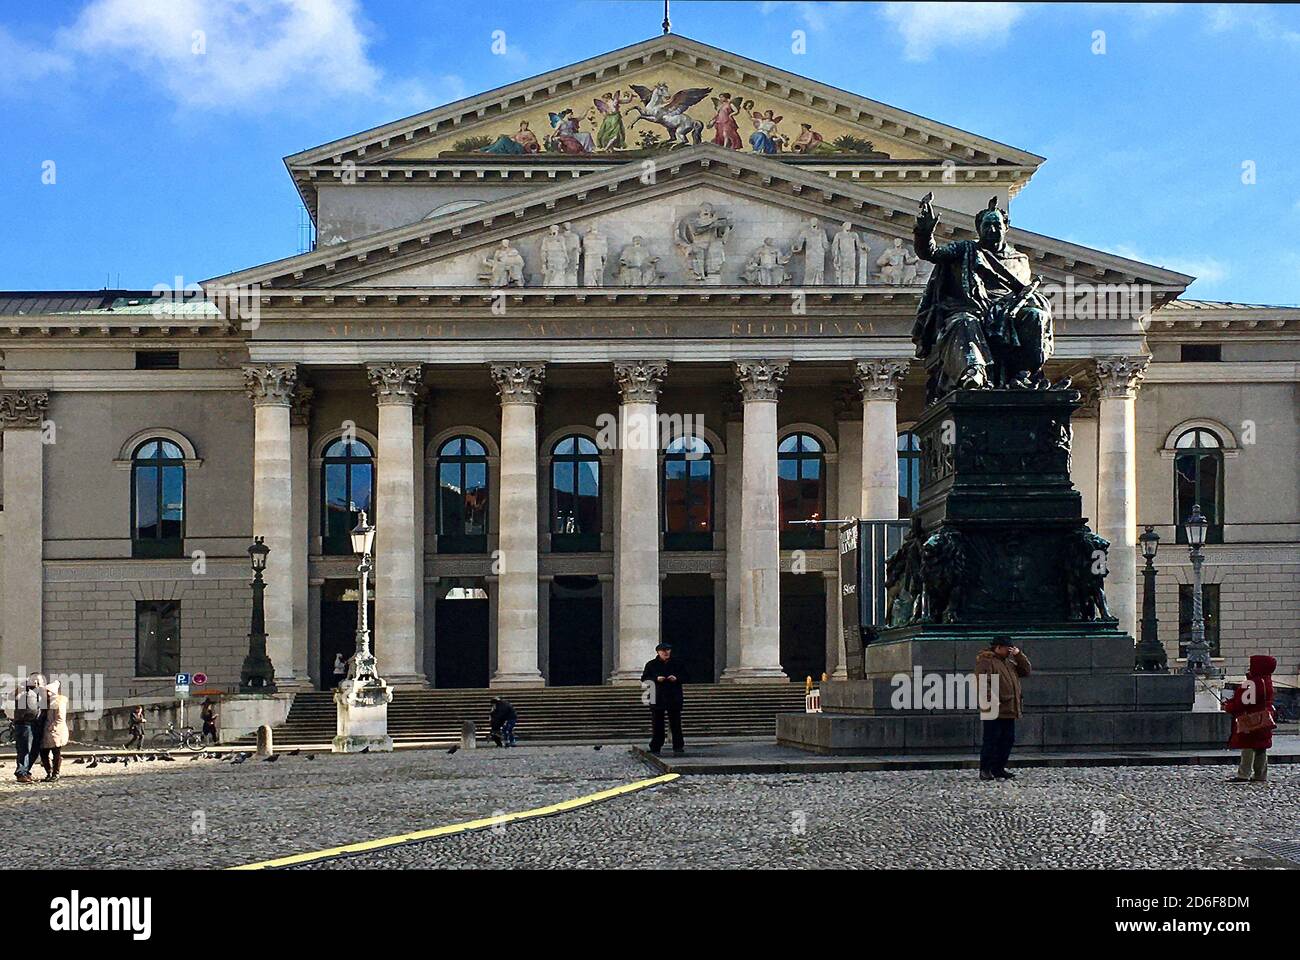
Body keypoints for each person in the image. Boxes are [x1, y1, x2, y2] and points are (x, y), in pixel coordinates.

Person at [974, 636, 1031, 781]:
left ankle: (998, 768)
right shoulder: (986, 661)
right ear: (998, 647)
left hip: (1009, 707)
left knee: (1007, 739)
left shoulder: (1009, 663)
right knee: (991, 739)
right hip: (994, 708)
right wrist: (990, 701)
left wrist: (1019, 655)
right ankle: (985, 769)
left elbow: (1026, 671)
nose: (1010, 650)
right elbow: (982, 682)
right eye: (1008, 648)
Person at [1222, 655, 1276, 784]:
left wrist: (1228, 706)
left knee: (1248, 745)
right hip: (1265, 717)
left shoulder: (1253, 683)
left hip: (1251, 718)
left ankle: (1243, 774)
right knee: (1261, 747)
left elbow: (1244, 702)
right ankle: (1260, 775)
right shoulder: (1267, 680)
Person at [641, 642, 686, 756]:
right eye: (663, 650)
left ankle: (678, 746)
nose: (666, 652)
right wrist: (656, 678)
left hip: (673, 696)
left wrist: (676, 678)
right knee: (657, 724)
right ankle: (656, 746)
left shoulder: (677, 663)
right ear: (658, 652)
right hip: (658, 696)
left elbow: (686, 676)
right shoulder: (651, 664)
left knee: (675, 723)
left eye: (668, 650)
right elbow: (645, 678)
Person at [11, 674, 44, 783]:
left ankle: (27, 771)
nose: (36, 683)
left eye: (38, 681)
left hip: (35, 724)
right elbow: (13, 696)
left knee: (34, 750)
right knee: (24, 750)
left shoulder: (38, 694)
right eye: (34, 681)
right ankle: (21, 773)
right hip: (24, 724)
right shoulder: (22, 692)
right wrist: (22, 686)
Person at [39, 680, 69, 783]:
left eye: (48, 692)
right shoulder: (46, 703)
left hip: (55, 731)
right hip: (45, 731)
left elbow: (60, 718)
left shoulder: (59, 702)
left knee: (56, 753)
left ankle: (55, 773)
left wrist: (52, 727)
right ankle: (49, 772)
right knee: (43, 753)